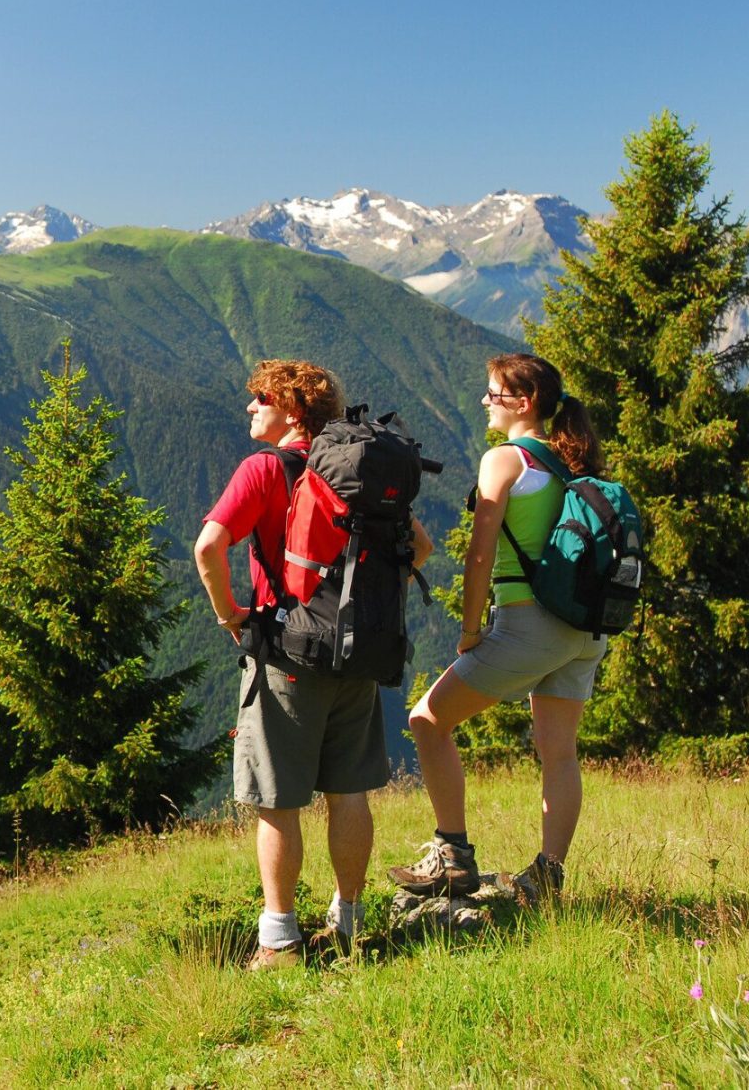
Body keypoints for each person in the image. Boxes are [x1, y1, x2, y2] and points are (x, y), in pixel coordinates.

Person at [195, 359, 430, 969]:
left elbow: (208, 547)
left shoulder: (265, 469)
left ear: (293, 409)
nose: (251, 407)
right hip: (356, 654)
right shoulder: (354, 469)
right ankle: (346, 921)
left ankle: (279, 939)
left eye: (262, 397)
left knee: (278, 799)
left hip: (286, 655)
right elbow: (422, 548)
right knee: (348, 792)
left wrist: (231, 616)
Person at [391, 352, 607, 900]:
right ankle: (547, 876)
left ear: (523, 401)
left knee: (427, 721)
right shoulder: (568, 459)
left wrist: (469, 632)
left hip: (529, 622)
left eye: (493, 393)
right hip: (584, 628)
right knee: (558, 750)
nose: (485, 402)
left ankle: (452, 857)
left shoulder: (505, 461)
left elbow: (480, 556)